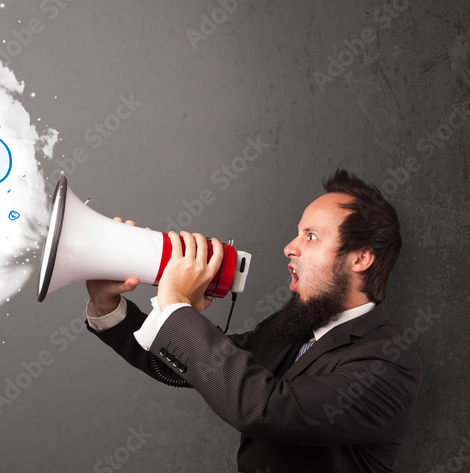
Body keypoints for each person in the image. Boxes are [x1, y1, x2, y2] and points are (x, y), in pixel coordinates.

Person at [85, 169, 422, 472]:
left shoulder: (389, 362)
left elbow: (267, 409)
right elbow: (191, 364)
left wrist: (178, 306)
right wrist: (107, 304)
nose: (290, 248)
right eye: (297, 234)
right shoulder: (289, 329)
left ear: (361, 258)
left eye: (311, 236)